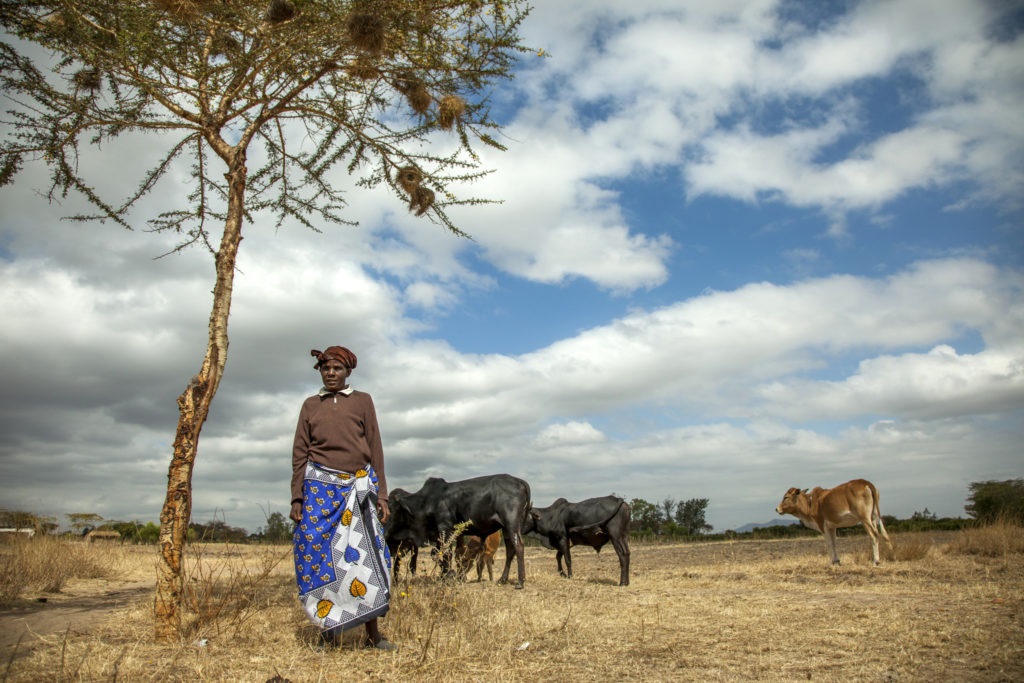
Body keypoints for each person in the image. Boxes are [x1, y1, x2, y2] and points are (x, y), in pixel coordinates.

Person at [290, 345, 396, 651]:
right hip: (320, 490)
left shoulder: (362, 401)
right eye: (326, 369)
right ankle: (329, 632)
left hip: (358, 489)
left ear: (348, 371)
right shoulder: (311, 405)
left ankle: (373, 635)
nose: (331, 373)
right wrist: (297, 498)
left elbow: (375, 447)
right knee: (319, 556)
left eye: (337, 369)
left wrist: (382, 494)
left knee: (366, 558)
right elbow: (299, 454)